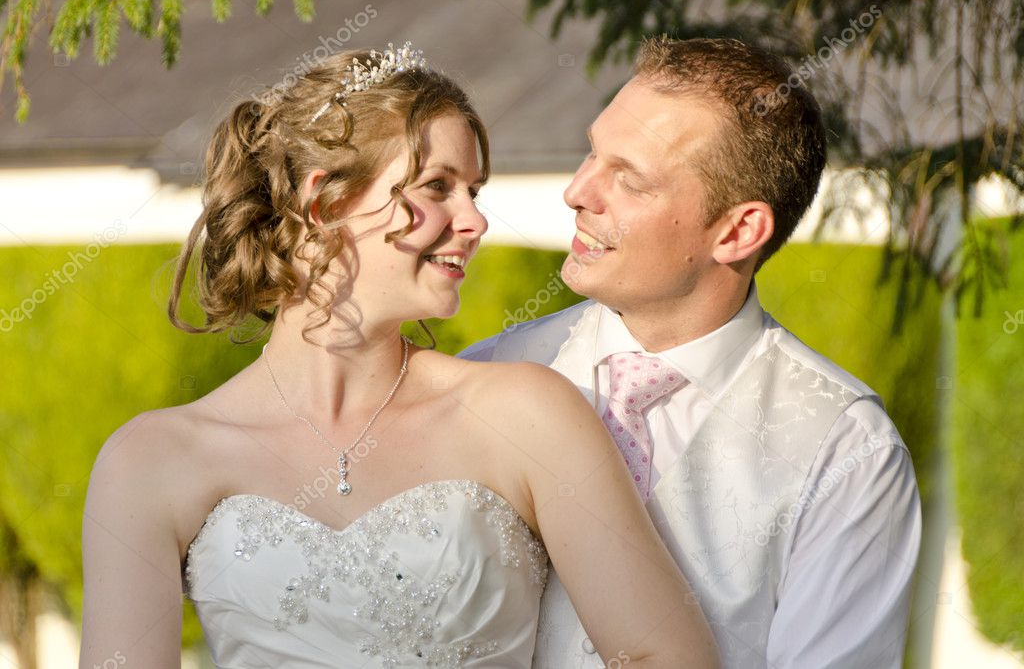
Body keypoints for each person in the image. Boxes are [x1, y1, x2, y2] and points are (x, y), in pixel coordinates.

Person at [78, 43, 720, 669]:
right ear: (324, 201)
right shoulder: (151, 462)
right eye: (438, 186)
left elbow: (664, 654)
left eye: (474, 190)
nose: (475, 222)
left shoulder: (526, 413)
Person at [461, 36, 922, 668]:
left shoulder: (847, 450)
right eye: (593, 153)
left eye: (629, 179)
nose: (577, 191)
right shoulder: (482, 376)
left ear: (737, 231)